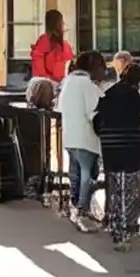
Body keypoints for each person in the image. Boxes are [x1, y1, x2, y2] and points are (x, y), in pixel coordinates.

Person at [94, 62, 140, 250]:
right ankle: (126, 228)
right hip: (131, 149)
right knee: (131, 189)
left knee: (114, 187)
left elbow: (97, 120)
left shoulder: (108, 95)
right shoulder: (137, 99)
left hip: (110, 148)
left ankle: (113, 222)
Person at [58, 49, 106, 232]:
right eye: (101, 66)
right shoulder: (87, 85)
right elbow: (95, 112)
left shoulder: (68, 81)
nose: (103, 71)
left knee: (76, 175)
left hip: (70, 137)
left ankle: (75, 207)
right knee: (87, 176)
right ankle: (81, 211)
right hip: (86, 138)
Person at [30, 9, 74, 83]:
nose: (64, 24)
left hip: (60, 84)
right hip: (48, 85)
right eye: (62, 22)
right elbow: (39, 72)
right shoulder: (44, 41)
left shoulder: (65, 46)